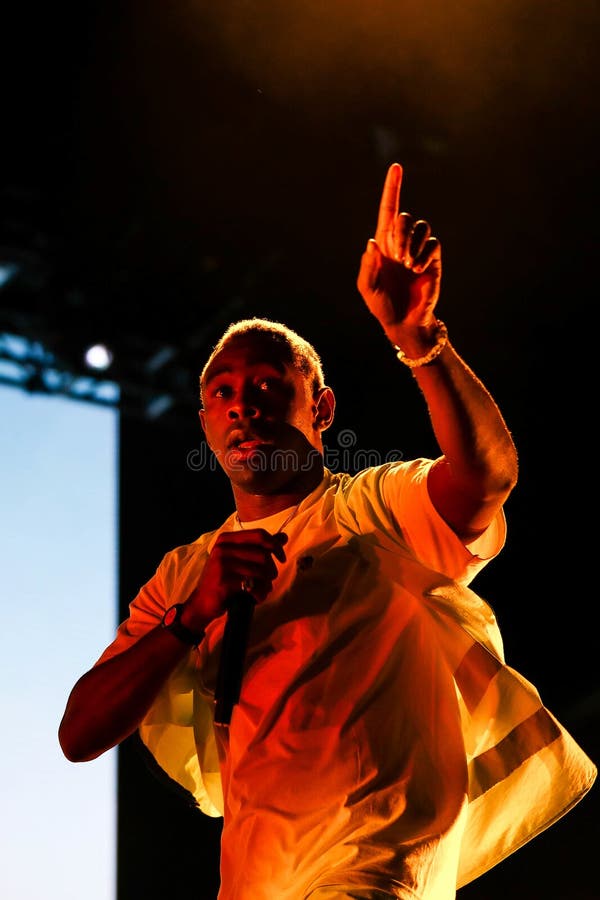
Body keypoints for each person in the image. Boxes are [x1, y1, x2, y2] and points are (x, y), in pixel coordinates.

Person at [59, 162, 596, 900]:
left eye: (269, 388)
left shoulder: (373, 510)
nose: (243, 406)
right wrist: (191, 620)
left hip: (377, 863)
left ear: (322, 410)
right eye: (223, 394)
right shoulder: (186, 574)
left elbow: (486, 477)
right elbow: (79, 736)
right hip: (257, 878)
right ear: (206, 424)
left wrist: (420, 339)